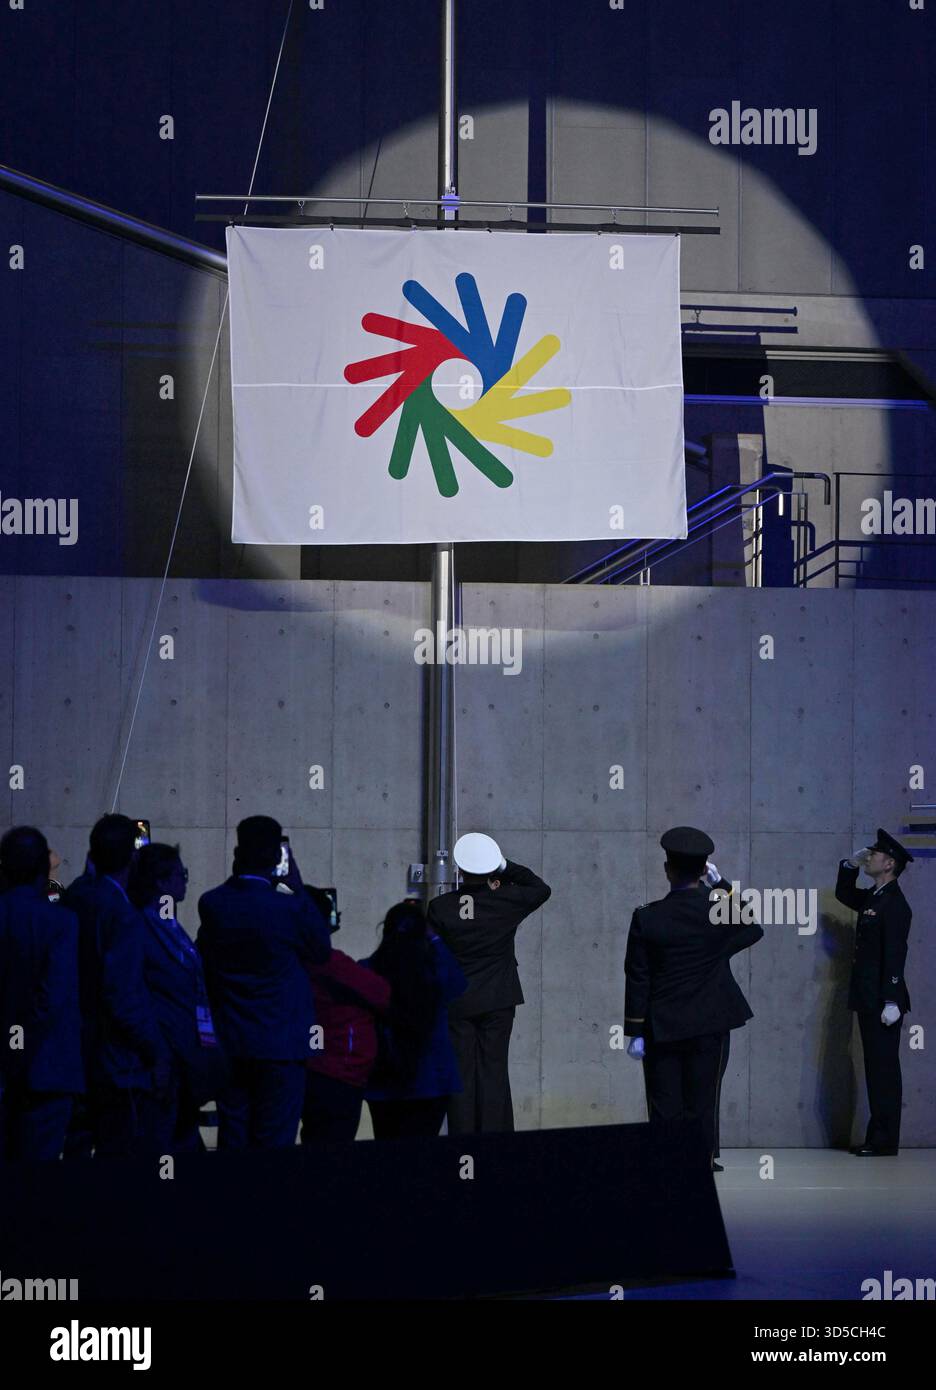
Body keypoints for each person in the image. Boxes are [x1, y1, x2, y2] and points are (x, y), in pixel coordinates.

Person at [624, 827, 762, 1170]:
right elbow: (754, 927)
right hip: (710, 1021)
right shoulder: (717, 913)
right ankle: (701, 1160)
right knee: (703, 1096)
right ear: (704, 871)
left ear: (667, 869)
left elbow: (638, 975)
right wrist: (724, 888)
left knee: (664, 1098)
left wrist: (634, 1030)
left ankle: (666, 1159)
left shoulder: (647, 916)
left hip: (663, 1024)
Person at [197, 817, 331, 1150]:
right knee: (274, 1139)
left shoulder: (212, 903)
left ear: (237, 852)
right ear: (277, 856)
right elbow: (321, 951)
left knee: (234, 1134)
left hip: (232, 1041)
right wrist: (298, 890)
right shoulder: (289, 908)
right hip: (281, 1044)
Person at [428, 833, 550, 1134]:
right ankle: (496, 1143)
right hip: (498, 999)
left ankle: (463, 1143)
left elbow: (433, 958)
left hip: (457, 1002)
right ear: (491, 870)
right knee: (494, 1072)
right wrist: (503, 865)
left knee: (462, 1076)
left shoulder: (440, 907)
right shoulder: (505, 902)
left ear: (459, 869)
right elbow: (540, 888)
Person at [64, 814, 165, 1158]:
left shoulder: (77, 896)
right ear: (133, 857)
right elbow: (123, 995)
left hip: (77, 1052)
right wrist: (155, 1049)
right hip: (116, 1059)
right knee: (121, 1153)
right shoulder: (122, 915)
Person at [130, 843, 226, 1154]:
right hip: (166, 1050)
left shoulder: (170, 924)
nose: (184, 880)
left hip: (187, 1050)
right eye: (179, 874)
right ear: (160, 881)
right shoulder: (142, 925)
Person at [0, 827, 84, 1160]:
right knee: (38, 1179)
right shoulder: (60, 921)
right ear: (41, 870)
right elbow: (51, 998)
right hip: (46, 1069)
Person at [835, 829, 913, 1156]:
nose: (870, 856)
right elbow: (844, 893)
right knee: (875, 1068)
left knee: (883, 1071)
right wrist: (849, 866)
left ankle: (883, 1140)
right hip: (870, 998)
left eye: (875, 854)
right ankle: (878, 1137)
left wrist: (892, 999)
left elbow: (895, 953)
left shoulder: (895, 904)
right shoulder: (875, 897)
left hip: (883, 1000)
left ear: (889, 863)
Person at [364, 900, 466, 1139]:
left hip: (384, 1078)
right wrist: (435, 939)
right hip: (431, 1080)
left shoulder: (369, 970)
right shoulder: (434, 975)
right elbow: (458, 983)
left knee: (387, 1150)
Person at [300, 886, 391, 1142]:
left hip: (315, 1068)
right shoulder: (330, 963)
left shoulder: (292, 960)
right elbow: (382, 994)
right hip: (338, 1071)